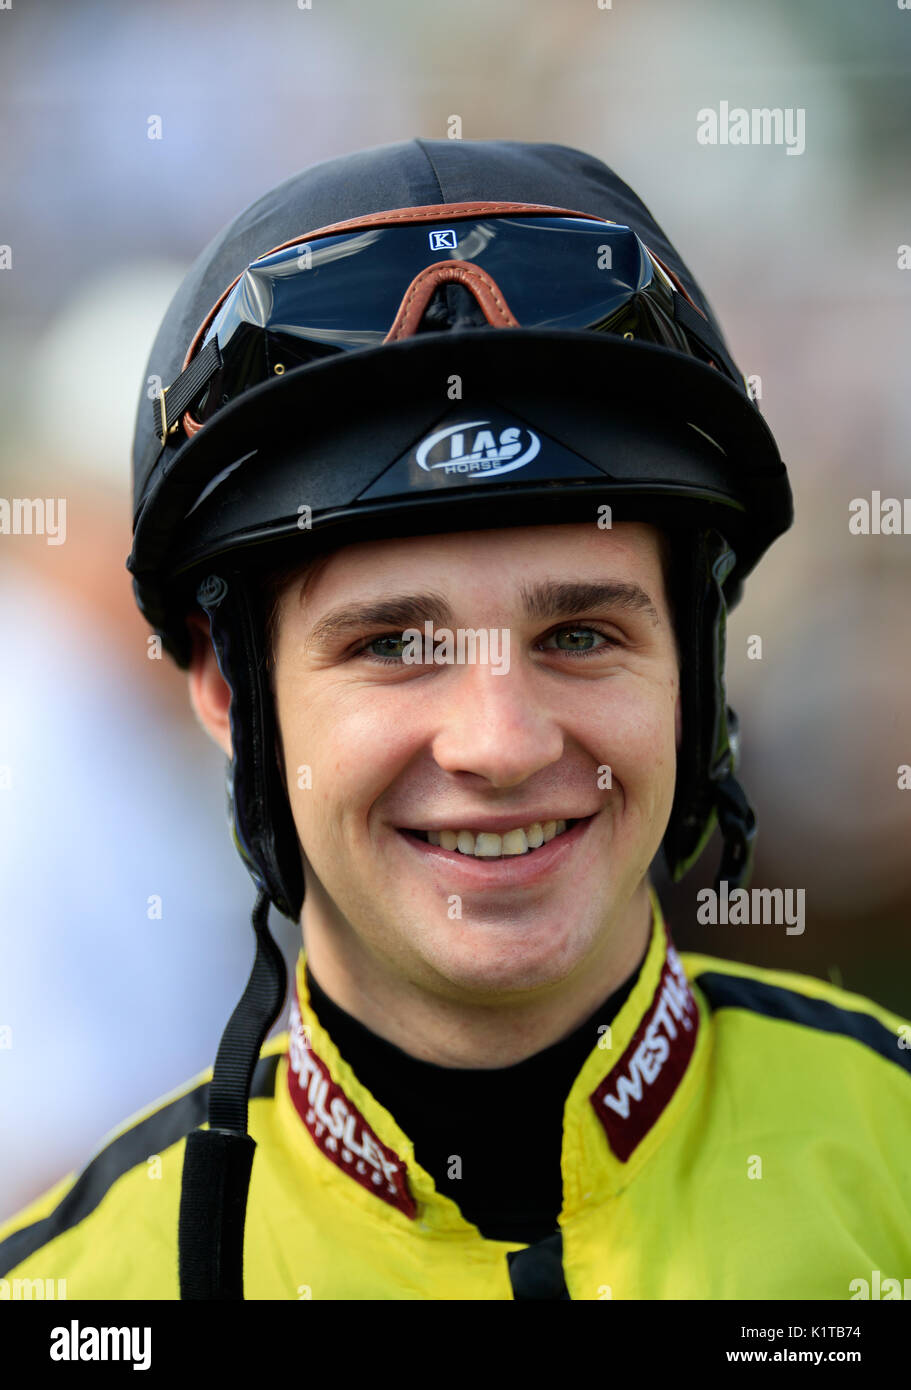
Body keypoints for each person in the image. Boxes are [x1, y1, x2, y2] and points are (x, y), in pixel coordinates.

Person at [1, 137, 908, 1302]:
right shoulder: (77, 1299)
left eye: (579, 635)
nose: (501, 741)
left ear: (693, 669)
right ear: (232, 697)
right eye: (392, 646)